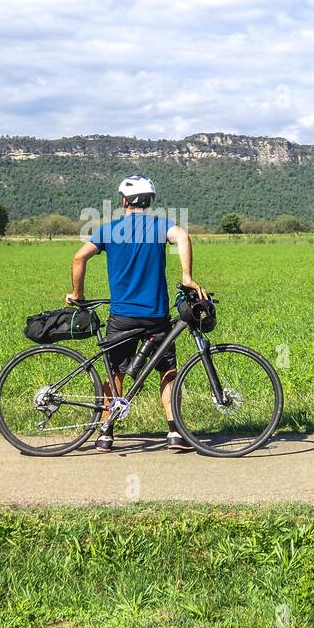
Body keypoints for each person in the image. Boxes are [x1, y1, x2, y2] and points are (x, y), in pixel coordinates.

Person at [66, 175, 205, 453]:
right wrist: (187, 277)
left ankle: (106, 433)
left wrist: (77, 294)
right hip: (156, 316)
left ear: (124, 201)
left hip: (122, 315)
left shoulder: (110, 230)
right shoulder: (159, 227)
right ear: (150, 201)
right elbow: (183, 237)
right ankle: (175, 433)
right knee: (168, 371)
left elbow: (79, 257)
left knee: (115, 371)